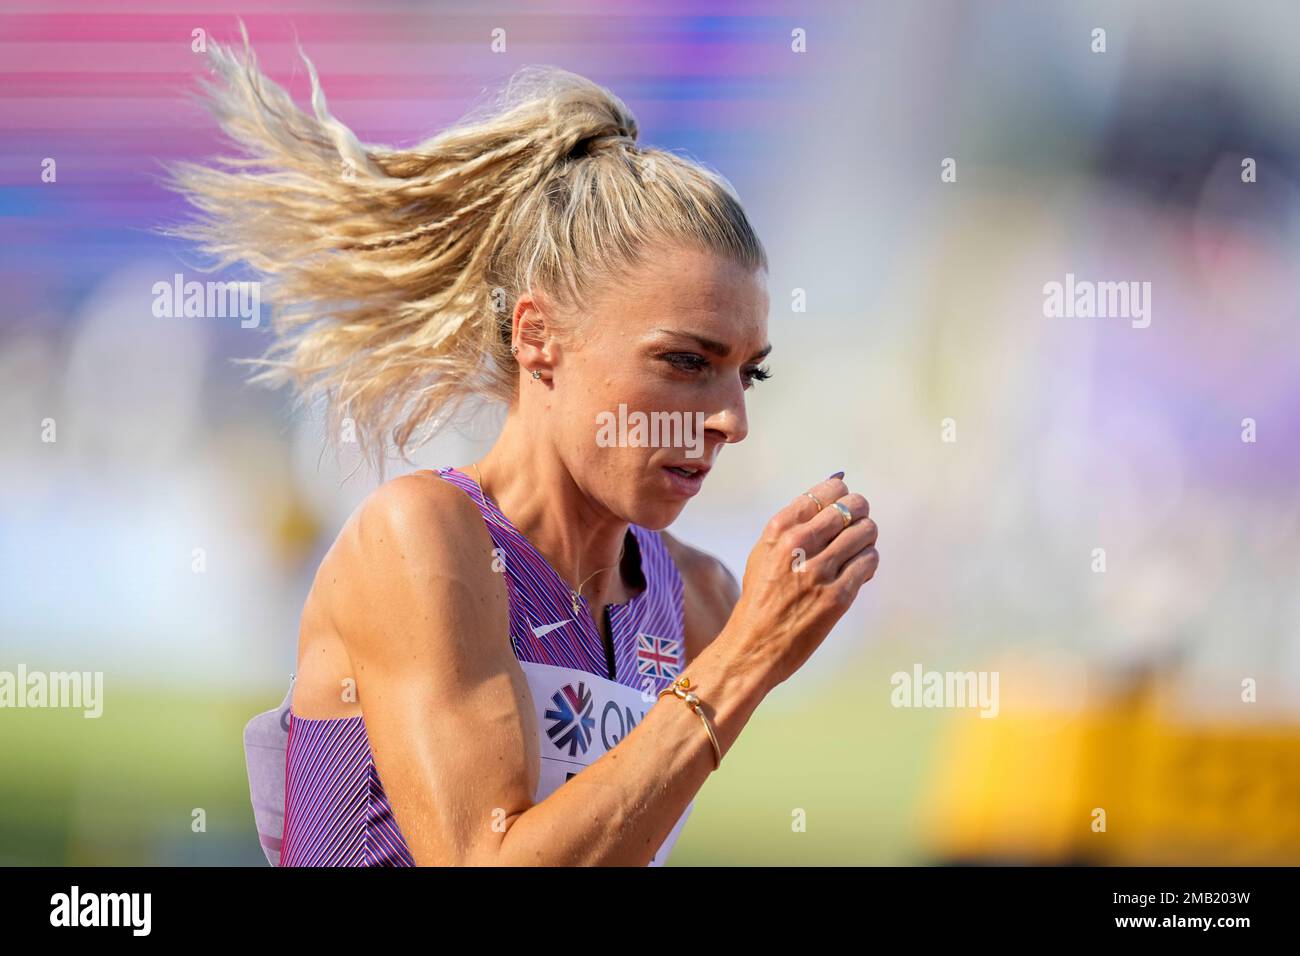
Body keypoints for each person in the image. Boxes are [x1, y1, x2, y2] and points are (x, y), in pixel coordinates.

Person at [180, 30, 880, 866]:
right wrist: (741, 665)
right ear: (539, 337)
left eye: (747, 376)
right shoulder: (424, 539)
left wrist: (733, 652)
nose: (729, 419)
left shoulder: (695, 600)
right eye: (686, 362)